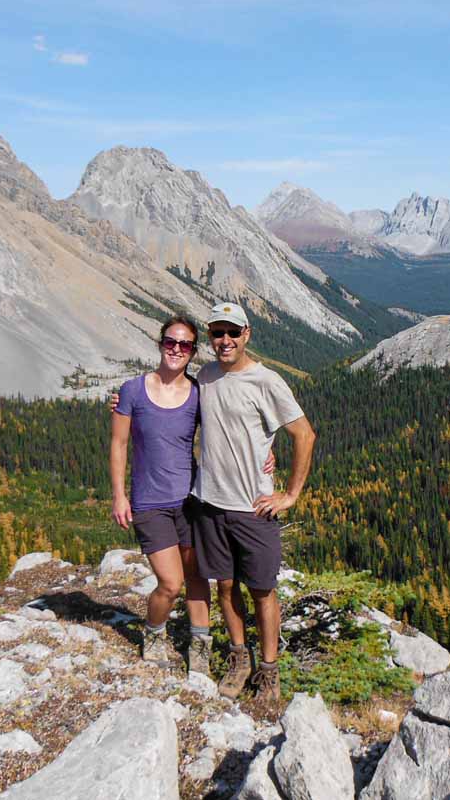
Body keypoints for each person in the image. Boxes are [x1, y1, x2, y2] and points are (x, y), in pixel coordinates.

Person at [190, 301, 316, 703]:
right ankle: (239, 658)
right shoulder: (204, 377)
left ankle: (269, 670)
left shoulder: (267, 381)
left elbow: (304, 435)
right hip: (210, 504)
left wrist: (291, 494)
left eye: (232, 333)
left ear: (247, 335)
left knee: (263, 590)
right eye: (217, 333)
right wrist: (124, 407)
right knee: (225, 586)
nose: (224, 341)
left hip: (253, 508)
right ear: (210, 336)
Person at [109, 316, 219, 673]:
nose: (176, 349)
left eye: (184, 345)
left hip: (191, 501)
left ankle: (200, 646)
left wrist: (266, 450)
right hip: (150, 503)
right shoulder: (133, 391)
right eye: (171, 342)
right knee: (171, 584)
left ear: (192, 352)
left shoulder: (197, 394)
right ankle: (154, 631)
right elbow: (118, 444)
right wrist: (119, 496)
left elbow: (229, 425)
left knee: (198, 577)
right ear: (160, 344)